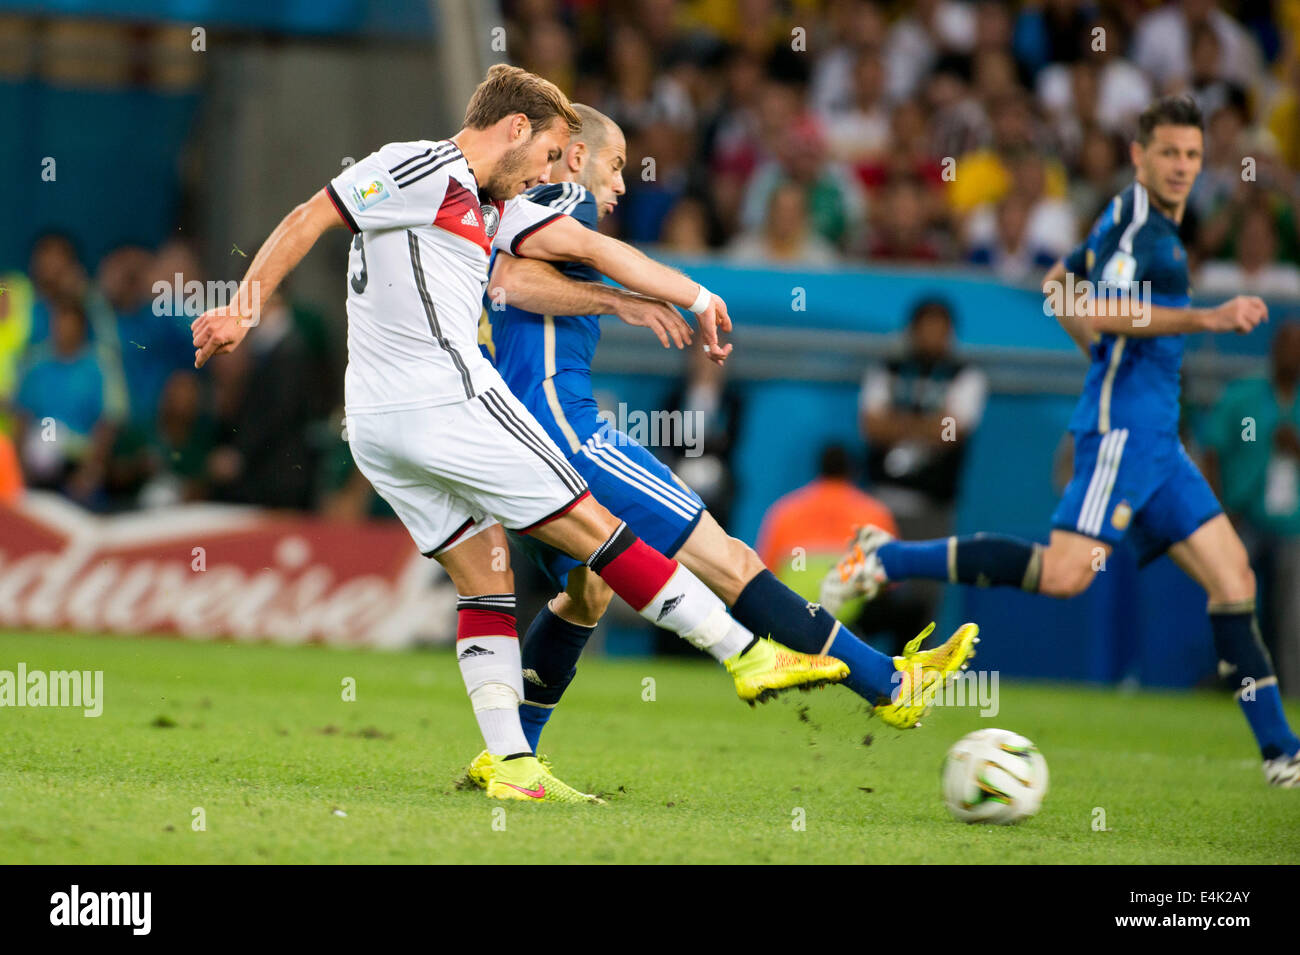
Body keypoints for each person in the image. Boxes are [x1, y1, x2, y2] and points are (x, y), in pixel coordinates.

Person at [191, 66, 872, 806]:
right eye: (549, 154)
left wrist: (669, 295)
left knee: (486, 571)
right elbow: (306, 217)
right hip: (445, 396)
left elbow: (580, 255)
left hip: (378, 424)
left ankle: (512, 763)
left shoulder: (489, 202)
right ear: (515, 131)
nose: (550, 172)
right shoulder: (427, 166)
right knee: (597, 529)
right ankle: (744, 654)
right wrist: (243, 308)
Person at [481, 103, 977, 775]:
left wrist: (610, 296)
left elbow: (507, 281)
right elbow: (512, 281)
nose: (622, 184)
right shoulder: (563, 197)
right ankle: (888, 683)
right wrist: (667, 296)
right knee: (732, 561)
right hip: (572, 437)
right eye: (617, 165)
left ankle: (512, 756)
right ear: (575, 155)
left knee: (587, 591)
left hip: (523, 445)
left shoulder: (523, 211)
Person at [824, 95, 1300, 788]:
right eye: (1168, 152)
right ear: (1139, 155)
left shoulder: (1136, 219)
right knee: (1067, 573)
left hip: (1158, 439)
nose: (1182, 166)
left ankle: (1281, 751)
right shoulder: (1143, 228)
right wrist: (1205, 315)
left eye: (1193, 155)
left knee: (1235, 578)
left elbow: (1056, 287)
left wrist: (1104, 355)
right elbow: (1094, 305)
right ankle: (888, 555)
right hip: (1122, 434)